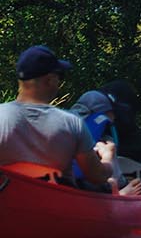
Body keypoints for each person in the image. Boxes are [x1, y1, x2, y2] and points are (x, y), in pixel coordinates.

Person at [0, 45, 119, 190]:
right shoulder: (72, 123)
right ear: (49, 80)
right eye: (60, 77)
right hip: (56, 208)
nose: (59, 84)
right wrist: (108, 156)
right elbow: (97, 176)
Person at [70, 89, 141, 194]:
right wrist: (108, 156)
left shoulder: (62, 128)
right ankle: (122, 195)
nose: (115, 118)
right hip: (89, 197)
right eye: (112, 113)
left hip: (60, 186)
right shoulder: (105, 142)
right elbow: (116, 181)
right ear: (104, 114)